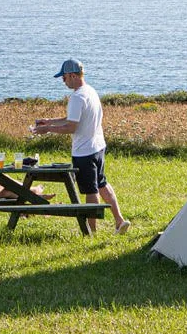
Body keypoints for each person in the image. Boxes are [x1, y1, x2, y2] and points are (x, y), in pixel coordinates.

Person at [32, 59, 131, 234]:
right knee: (102, 184)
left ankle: (91, 231)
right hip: (98, 146)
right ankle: (119, 220)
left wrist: (47, 129)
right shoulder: (90, 91)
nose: (63, 81)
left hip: (84, 151)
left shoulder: (77, 97)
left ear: (72, 75)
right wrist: (50, 121)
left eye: (64, 77)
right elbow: (72, 118)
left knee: (90, 190)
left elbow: (71, 127)